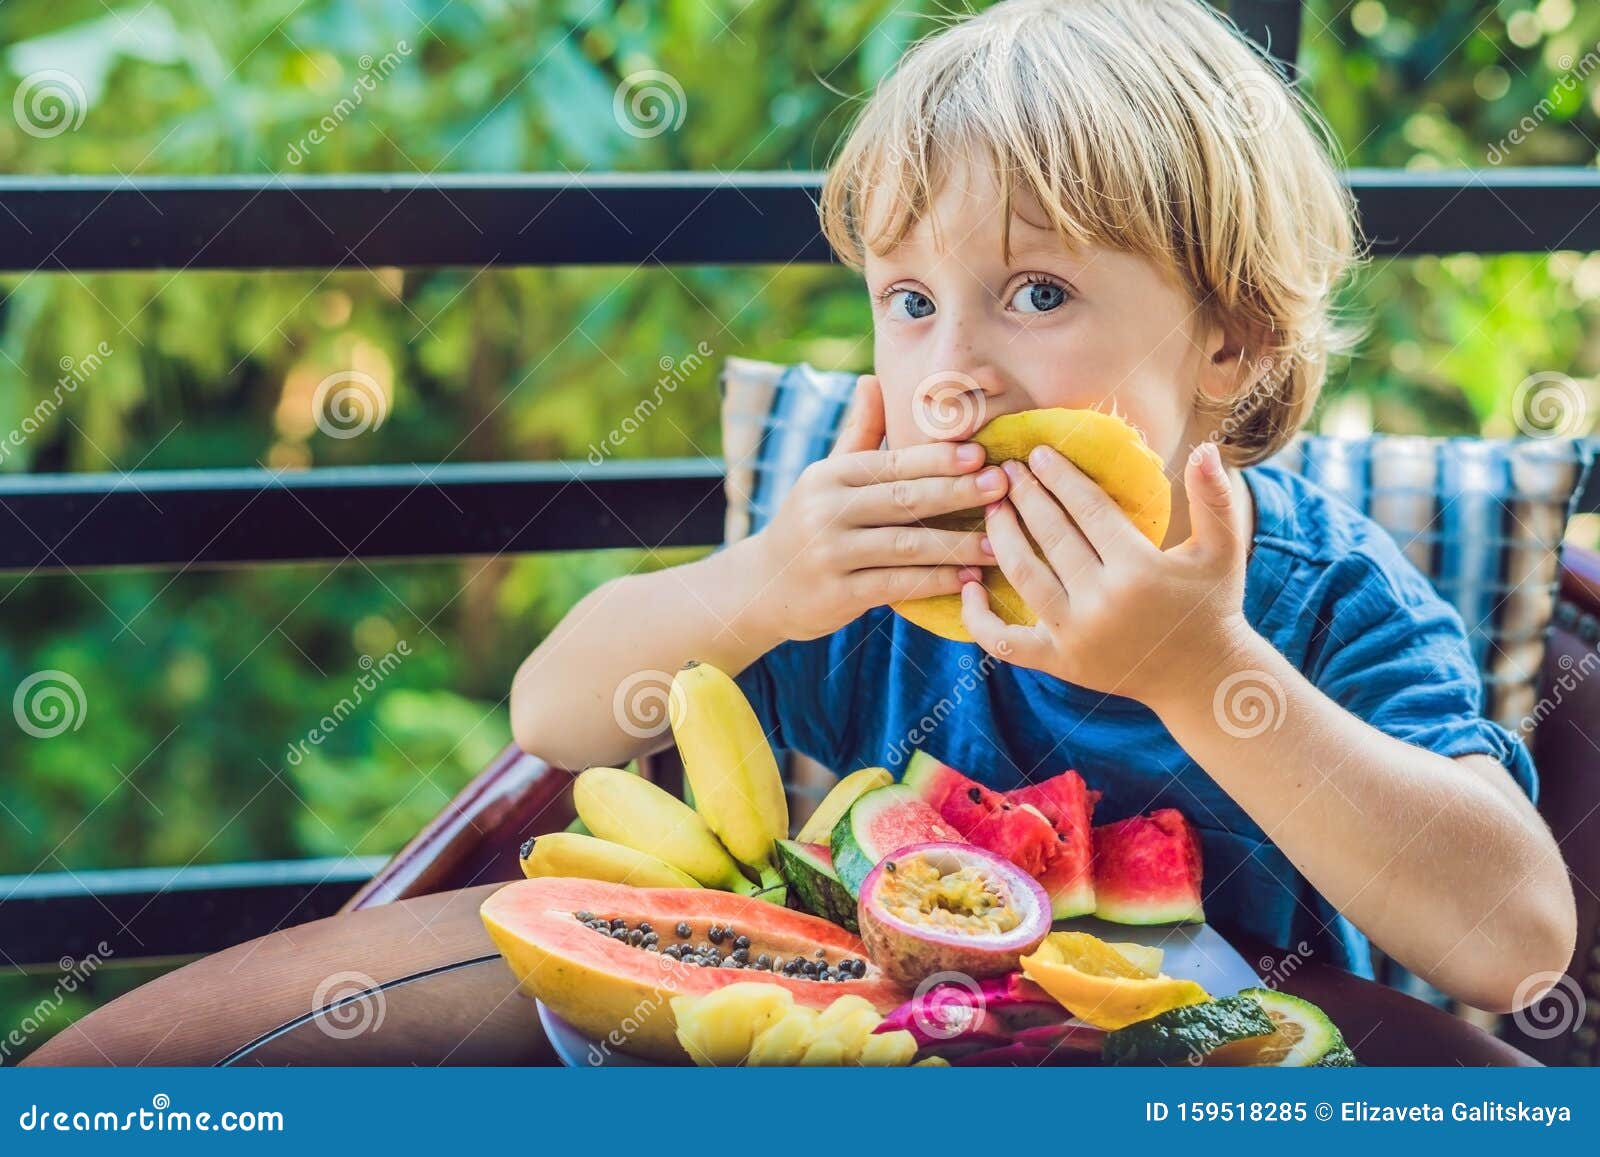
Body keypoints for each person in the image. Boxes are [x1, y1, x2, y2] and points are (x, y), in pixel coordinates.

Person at [512, 0, 1574, 1011]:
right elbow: (552, 714)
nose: (951, 372)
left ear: (1229, 340)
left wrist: (1203, 673)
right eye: (912, 301)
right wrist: (763, 581)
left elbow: (1515, 944)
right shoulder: (872, 578)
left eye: (1037, 293)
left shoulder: (1325, 595)